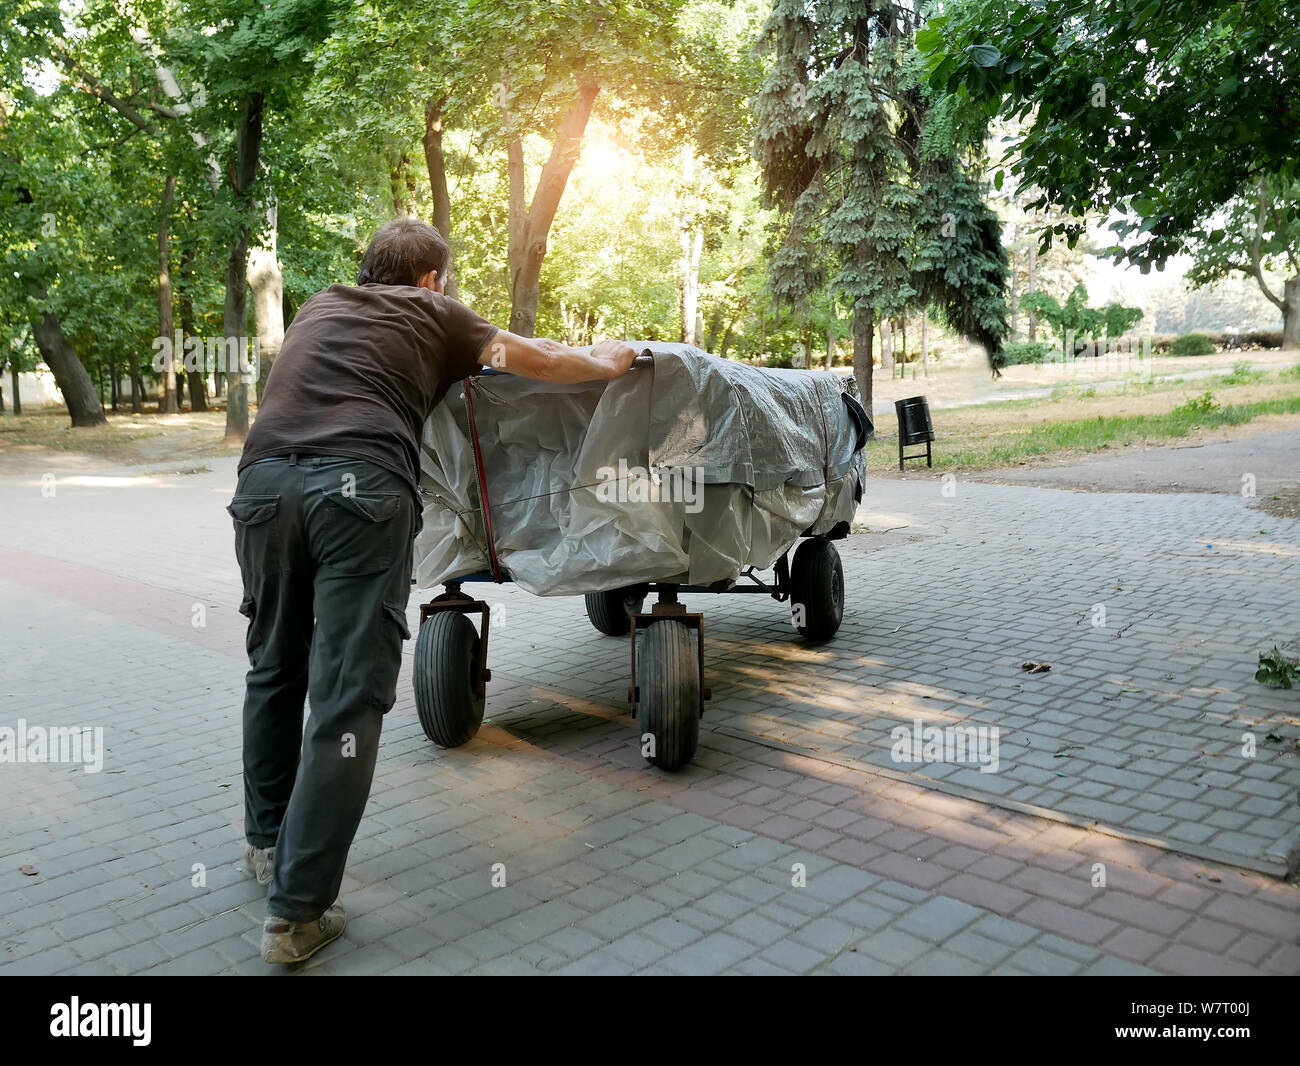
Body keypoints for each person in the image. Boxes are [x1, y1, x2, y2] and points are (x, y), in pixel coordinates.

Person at [229, 217, 636, 964]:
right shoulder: (434, 311)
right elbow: (537, 360)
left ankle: (265, 844)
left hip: (261, 488)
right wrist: (606, 361)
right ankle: (297, 914)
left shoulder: (319, 304)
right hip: (359, 492)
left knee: (275, 668)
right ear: (430, 279)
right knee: (349, 695)